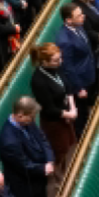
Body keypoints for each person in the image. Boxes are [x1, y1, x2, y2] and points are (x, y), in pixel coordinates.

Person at [0, 97, 54, 197]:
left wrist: (49, 159)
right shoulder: (8, 141)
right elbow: (23, 165)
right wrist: (43, 169)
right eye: (31, 117)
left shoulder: (28, 121)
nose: (34, 120)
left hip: (39, 177)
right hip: (26, 187)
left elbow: (42, 139)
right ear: (20, 115)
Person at [29, 42, 78, 170]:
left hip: (66, 114)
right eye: (56, 60)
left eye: (60, 58)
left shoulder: (55, 68)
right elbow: (49, 109)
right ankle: (59, 182)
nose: (60, 62)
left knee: (69, 148)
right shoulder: (38, 80)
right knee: (59, 153)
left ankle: (67, 172)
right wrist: (69, 114)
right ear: (44, 62)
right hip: (54, 123)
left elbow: (68, 87)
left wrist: (72, 108)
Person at [56, 3, 97, 134]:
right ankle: (83, 136)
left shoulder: (78, 26)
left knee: (89, 106)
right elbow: (68, 68)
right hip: (79, 82)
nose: (83, 17)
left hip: (88, 73)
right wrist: (79, 88)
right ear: (68, 20)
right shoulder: (64, 40)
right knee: (81, 114)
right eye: (79, 15)